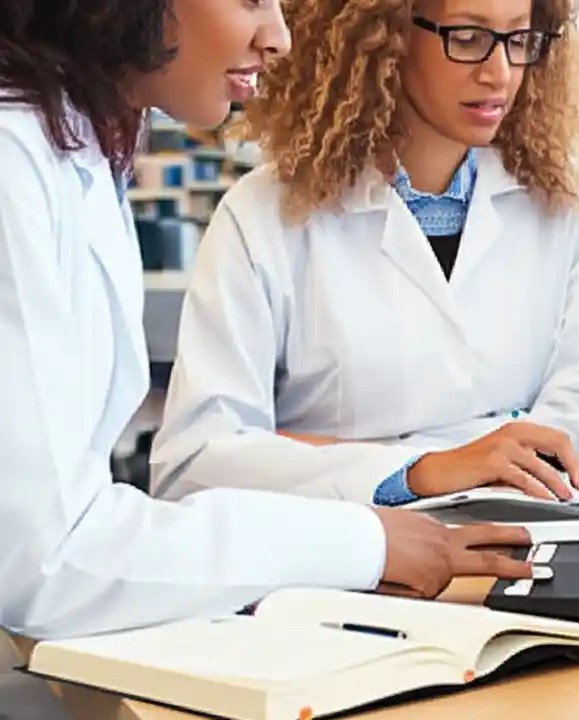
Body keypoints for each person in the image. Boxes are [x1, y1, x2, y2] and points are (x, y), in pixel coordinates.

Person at [0, 0, 534, 642]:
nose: (279, 37)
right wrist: (363, 542)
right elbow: (46, 562)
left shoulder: (73, 152)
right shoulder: (16, 166)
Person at [148, 0, 579, 508]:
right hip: (335, 562)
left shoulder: (569, 198)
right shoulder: (262, 215)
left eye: (519, 40)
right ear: (386, 38)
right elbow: (197, 463)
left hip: (529, 533)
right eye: (469, 38)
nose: (501, 72)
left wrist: (318, 453)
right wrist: (423, 471)